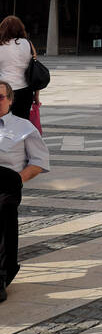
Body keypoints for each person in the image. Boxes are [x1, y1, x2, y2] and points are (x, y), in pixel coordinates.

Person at [0, 80, 49, 302]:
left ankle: (2, 275)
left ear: (10, 100)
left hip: (6, 182)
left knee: (4, 211)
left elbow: (38, 162)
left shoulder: (23, 127)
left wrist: (17, 180)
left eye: (0, 97)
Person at [0, 15, 39, 121]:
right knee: (22, 125)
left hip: (5, 91)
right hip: (25, 91)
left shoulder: (1, 46)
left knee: (4, 125)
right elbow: (35, 71)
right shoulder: (28, 44)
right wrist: (36, 95)